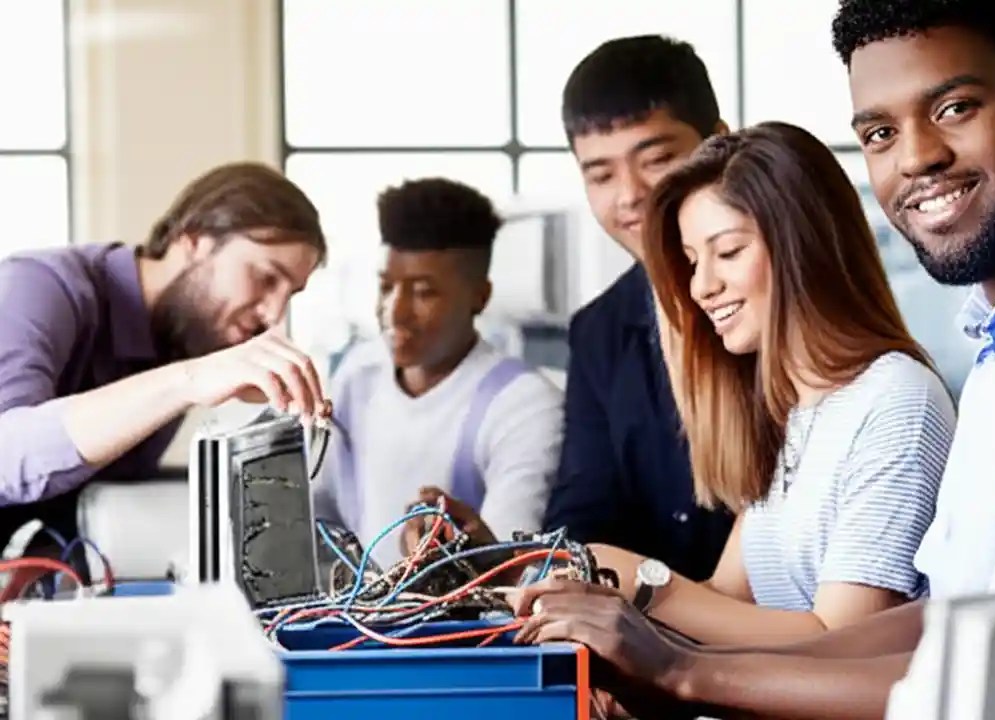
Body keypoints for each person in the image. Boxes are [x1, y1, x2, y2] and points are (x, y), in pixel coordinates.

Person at [507, 2, 995, 718]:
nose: (917, 159)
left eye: (955, 108)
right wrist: (665, 663)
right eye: (878, 134)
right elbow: (950, 621)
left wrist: (683, 667)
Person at [524, 122, 956, 649]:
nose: (702, 287)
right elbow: (726, 597)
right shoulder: (795, 409)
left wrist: (643, 585)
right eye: (691, 262)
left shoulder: (896, 401)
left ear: (805, 244)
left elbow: (842, 642)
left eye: (727, 252)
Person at [403, 35, 737, 582]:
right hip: (643, 642)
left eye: (657, 159)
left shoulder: (773, 303)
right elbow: (585, 519)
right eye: (601, 174)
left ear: (719, 146)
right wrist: (503, 563)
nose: (631, 194)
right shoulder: (599, 331)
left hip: (782, 636)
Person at [0, 162, 329, 549]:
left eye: (290, 294)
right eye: (265, 277)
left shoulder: (183, 334)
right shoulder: (38, 285)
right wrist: (187, 380)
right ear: (193, 242)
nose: (274, 314)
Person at [311, 178, 563, 570]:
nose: (395, 312)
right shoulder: (357, 375)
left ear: (480, 297)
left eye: (424, 292)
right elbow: (317, 509)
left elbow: (507, 562)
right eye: (387, 286)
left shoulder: (522, 402)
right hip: (356, 617)